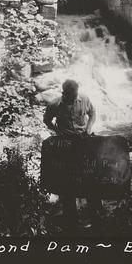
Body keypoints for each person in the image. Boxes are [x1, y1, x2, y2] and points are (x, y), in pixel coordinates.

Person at [43, 79, 102, 231]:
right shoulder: (55, 104)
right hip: (66, 144)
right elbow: (47, 120)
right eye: (70, 95)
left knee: (90, 176)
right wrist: (57, 131)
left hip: (84, 140)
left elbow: (93, 113)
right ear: (64, 93)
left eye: (75, 94)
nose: (73, 97)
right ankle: (71, 218)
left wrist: (89, 128)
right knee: (68, 178)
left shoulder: (84, 99)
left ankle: (96, 214)